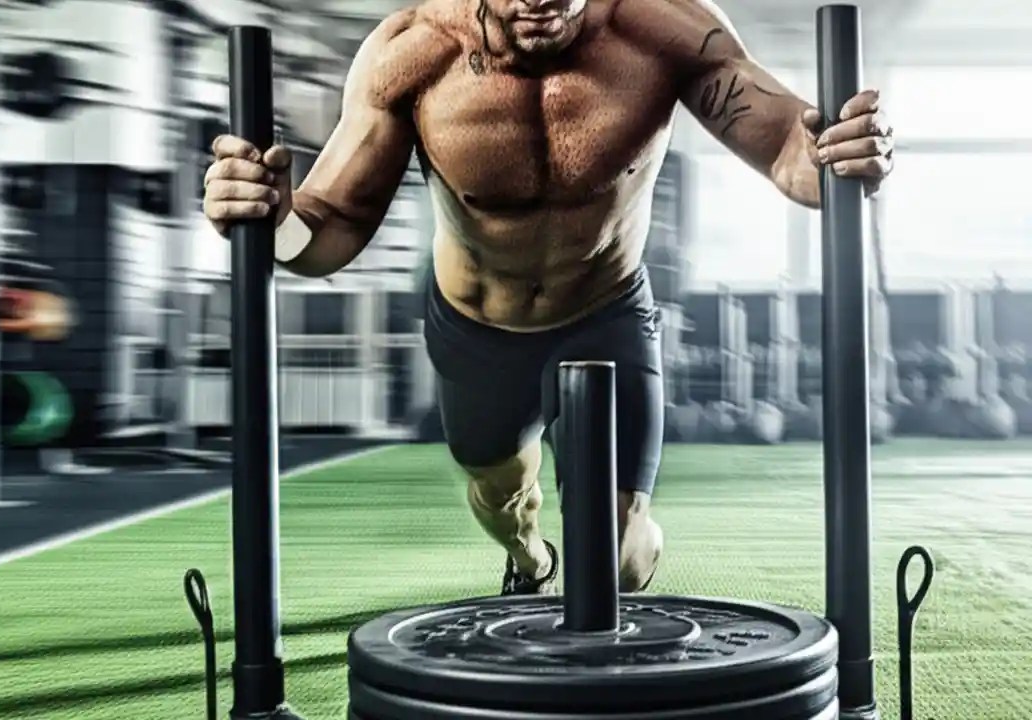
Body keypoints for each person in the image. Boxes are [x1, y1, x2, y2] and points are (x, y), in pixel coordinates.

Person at [202, 0, 894, 595]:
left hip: (607, 311)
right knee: (503, 502)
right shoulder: (413, 51)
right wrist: (273, 220)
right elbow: (332, 228)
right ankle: (529, 560)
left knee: (619, 564)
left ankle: (613, 546)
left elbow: (785, 149)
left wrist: (836, 160)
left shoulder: (660, 28)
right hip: (477, 327)